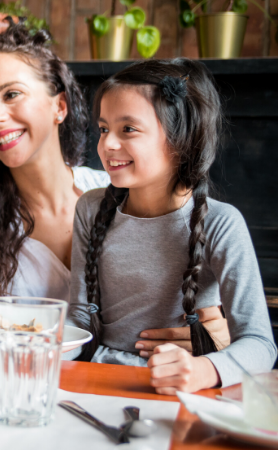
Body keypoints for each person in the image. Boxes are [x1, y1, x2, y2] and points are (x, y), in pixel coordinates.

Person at [0, 21, 227, 355]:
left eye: (11, 94)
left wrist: (213, 338)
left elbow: (217, 315)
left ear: (60, 106)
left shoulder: (129, 193)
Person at [69, 58, 277, 393]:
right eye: (105, 128)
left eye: (129, 129)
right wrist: (38, 345)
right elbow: (78, 322)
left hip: (175, 390)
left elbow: (259, 344)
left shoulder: (221, 224)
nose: (106, 144)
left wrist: (201, 371)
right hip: (95, 379)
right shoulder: (90, 209)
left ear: (181, 140)